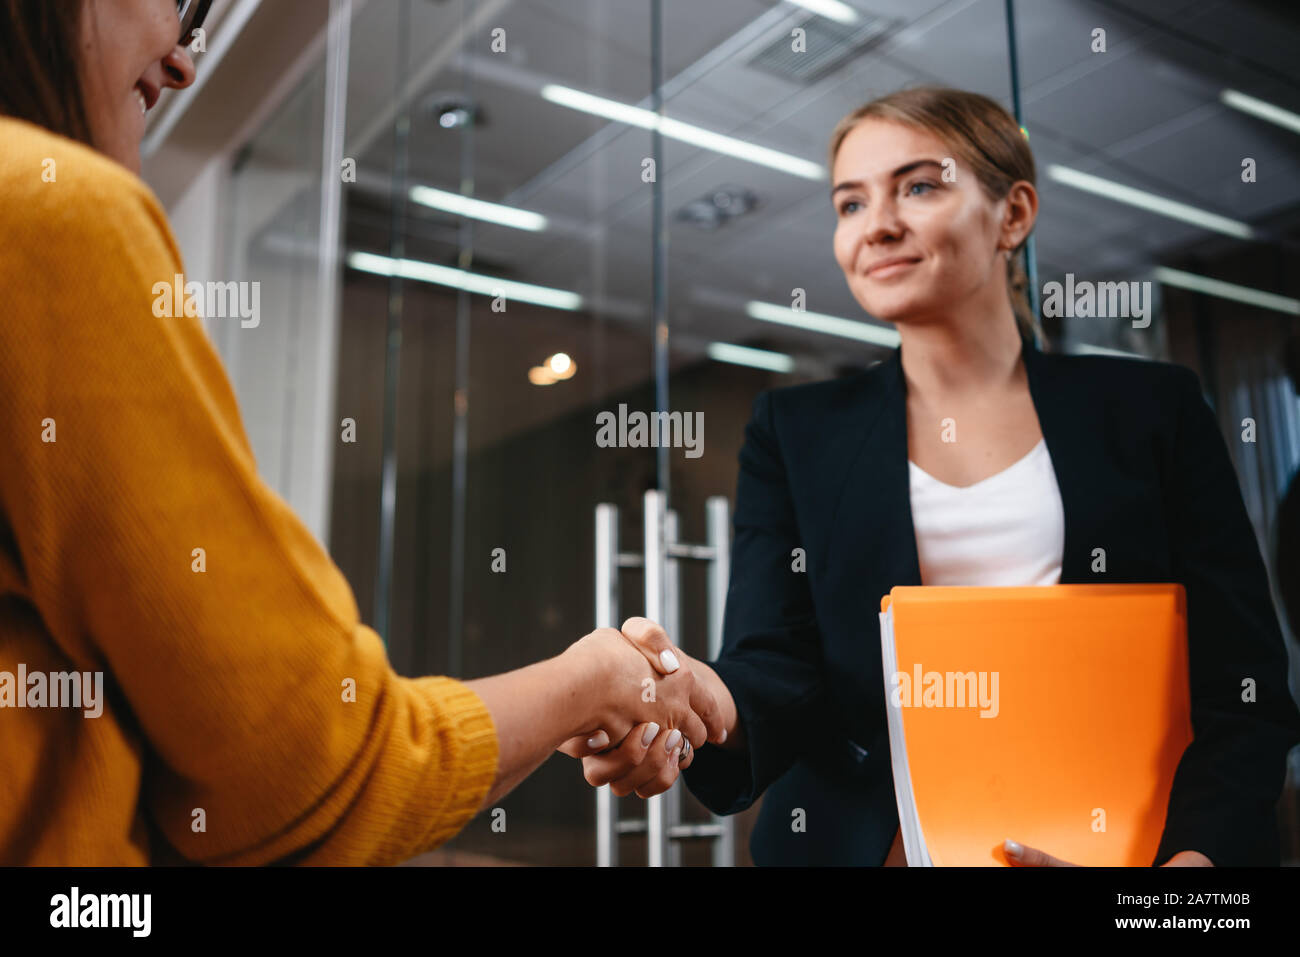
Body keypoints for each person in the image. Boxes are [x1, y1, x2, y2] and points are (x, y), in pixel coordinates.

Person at [0, 0, 722, 865]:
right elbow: (310, 777)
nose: (186, 59)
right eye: (176, 2)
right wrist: (594, 679)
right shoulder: (54, 218)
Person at [568, 86, 1300, 867]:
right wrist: (700, 702)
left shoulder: (1151, 409)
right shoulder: (796, 432)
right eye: (850, 203)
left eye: (919, 185)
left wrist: (1182, 879)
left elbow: (1242, 685)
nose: (877, 224)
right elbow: (775, 665)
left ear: (1013, 214)